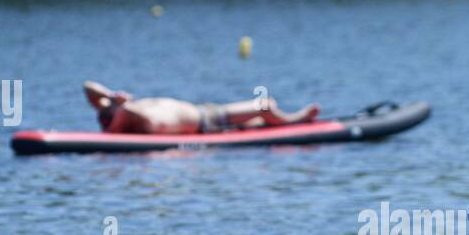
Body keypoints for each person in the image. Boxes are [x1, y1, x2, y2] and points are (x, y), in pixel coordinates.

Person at [83, 81, 321, 134]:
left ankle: (272, 123)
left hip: (205, 112)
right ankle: (294, 121)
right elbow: (120, 119)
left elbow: (87, 87)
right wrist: (119, 105)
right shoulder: (129, 120)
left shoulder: (116, 108)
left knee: (256, 120)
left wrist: (110, 95)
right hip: (206, 121)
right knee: (264, 104)